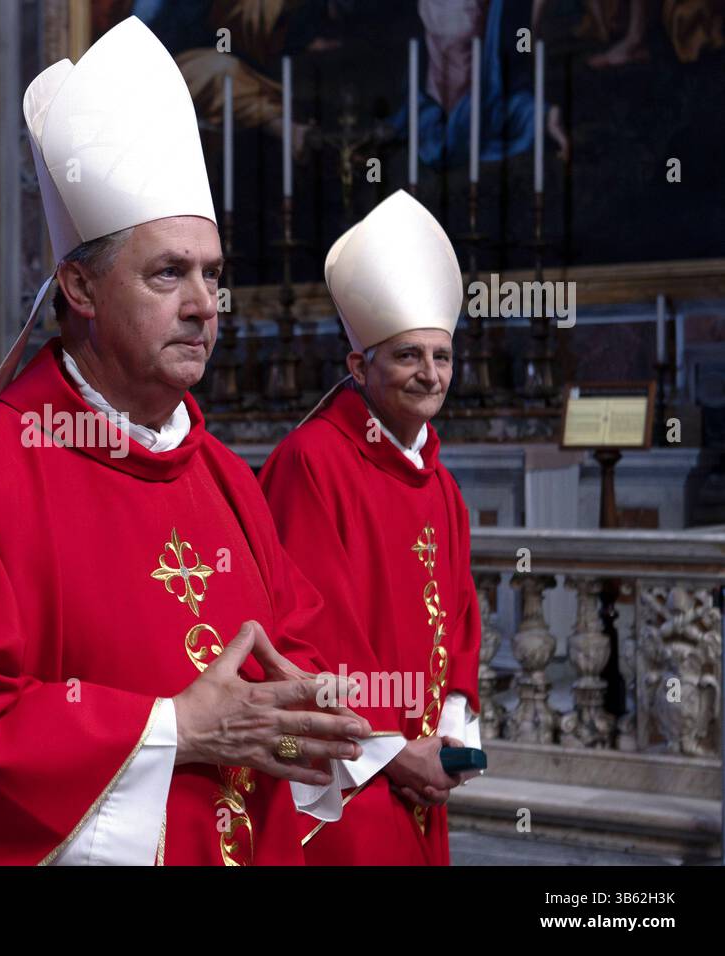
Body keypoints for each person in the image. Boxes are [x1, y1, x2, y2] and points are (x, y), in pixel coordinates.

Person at [0, 17, 368, 867]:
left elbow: (294, 643)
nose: (204, 304)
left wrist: (317, 705)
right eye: (169, 273)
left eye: (214, 274)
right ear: (79, 284)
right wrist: (174, 729)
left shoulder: (229, 479)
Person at [260, 189, 482, 865]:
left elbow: (463, 616)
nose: (429, 374)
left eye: (441, 357)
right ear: (360, 367)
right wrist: (390, 749)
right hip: (349, 776)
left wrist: (447, 732)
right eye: (408, 356)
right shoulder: (312, 461)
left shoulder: (441, 484)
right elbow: (303, 627)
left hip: (420, 768)